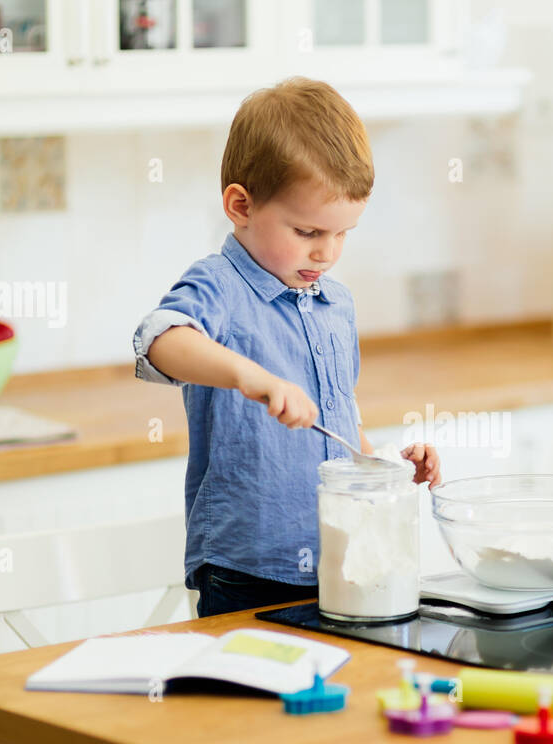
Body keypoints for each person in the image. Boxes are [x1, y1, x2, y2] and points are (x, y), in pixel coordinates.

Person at [132, 77, 441, 616]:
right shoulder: (220, 286)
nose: (327, 252)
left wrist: (388, 462)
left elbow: (340, 428)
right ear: (240, 205)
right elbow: (160, 340)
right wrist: (249, 375)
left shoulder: (335, 305)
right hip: (246, 570)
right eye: (307, 232)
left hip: (338, 559)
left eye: (343, 234)